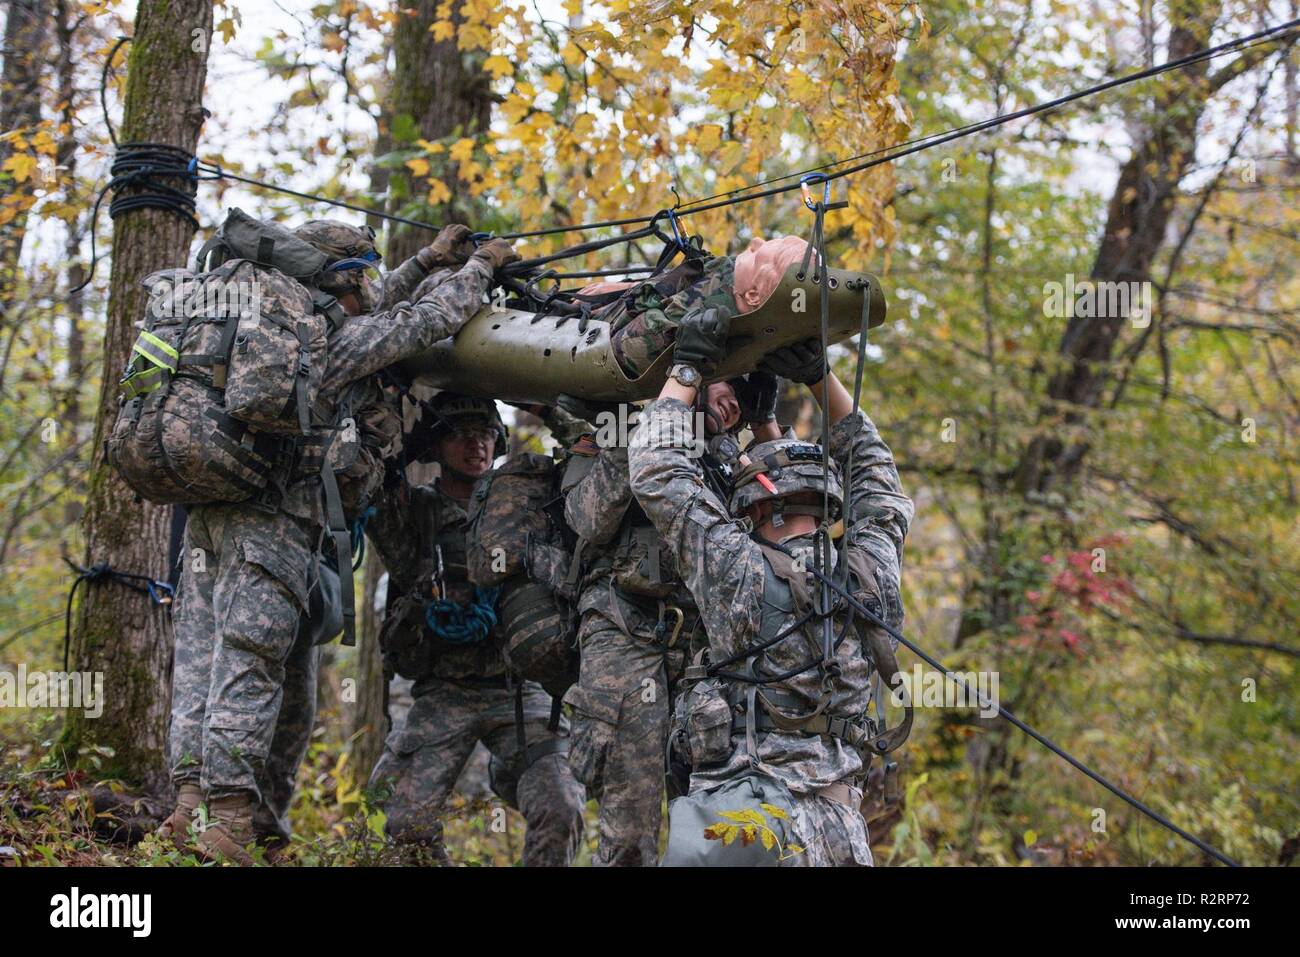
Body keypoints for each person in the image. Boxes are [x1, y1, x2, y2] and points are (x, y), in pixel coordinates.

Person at [158, 220, 519, 864]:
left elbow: (384, 303)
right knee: (250, 663)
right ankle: (228, 824)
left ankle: (188, 809)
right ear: (338, 281)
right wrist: (480, 269)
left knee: (201, 659)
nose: (368, 290)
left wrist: (428, 258)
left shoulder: (264, 324)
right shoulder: (332, 340)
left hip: (209, 513)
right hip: (269, 525)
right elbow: (425, 319)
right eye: (361, 278)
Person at [626, 315, 914, 867]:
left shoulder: (739, 569)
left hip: (749, 826)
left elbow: (657, 468)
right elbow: (878, 477)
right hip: (839, 827)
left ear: (757, 505)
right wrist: (820, 375)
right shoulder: (873, 567)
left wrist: (687, 364)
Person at [365, 392, 585, 866]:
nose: (475, 444)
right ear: (434, 444)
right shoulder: (415, 513)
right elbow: (367, 484)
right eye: (458, 434)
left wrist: (546, 408)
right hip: (445, 692)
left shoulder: (531, 503)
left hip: (521, 695)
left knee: (562, 806)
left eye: (485, 433)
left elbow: (593, 449)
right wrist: (403, 445)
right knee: (401, 818)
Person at [560, 380, 749, 866]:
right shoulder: (621, 434)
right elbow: (589, 520)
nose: (736, 403)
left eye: (745, 396)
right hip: (626, 631)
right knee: (628, 833)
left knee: (711, 829)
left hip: (703, 651)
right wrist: (641, 438)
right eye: (729, 389)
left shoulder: (731, 462)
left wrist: (760, 435)